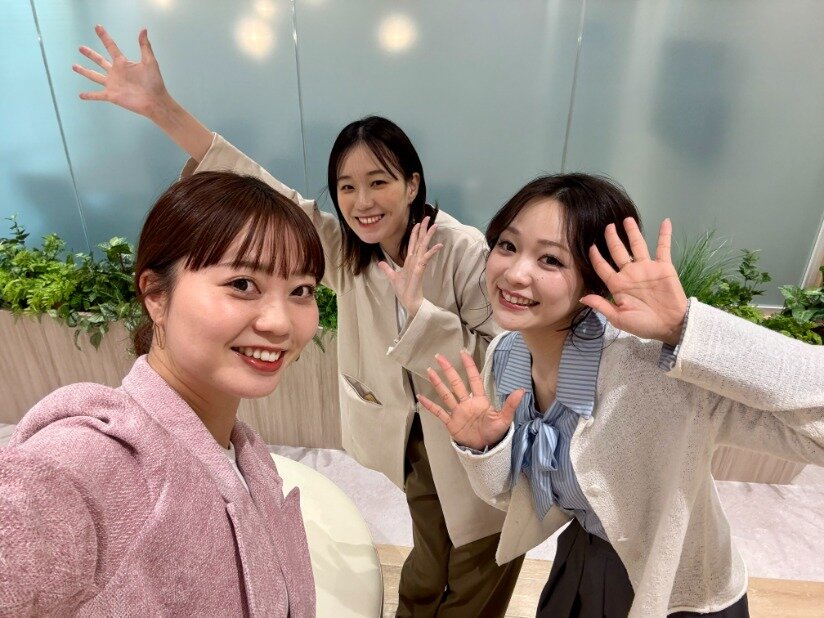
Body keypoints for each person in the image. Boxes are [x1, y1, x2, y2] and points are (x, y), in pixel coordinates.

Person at [73, 26, 524, 615]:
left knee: (478, 561)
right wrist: (163, 109)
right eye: (347, 187)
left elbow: (507, 355)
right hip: (410, 438)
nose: (362, 202)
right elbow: (266, 194)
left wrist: (421, 314)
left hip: (474, 438)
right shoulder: (348, 251)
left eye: (379, 182)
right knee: (429, 551)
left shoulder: (461, 251)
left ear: (413, 184)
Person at [418, 174, 824, 617]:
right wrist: (486, 449)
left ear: (596, 279)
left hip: (679, 587)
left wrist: (685, 329)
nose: (515, 273)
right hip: (580, 561)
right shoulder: (506, 356)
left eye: (551, 259)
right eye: (508, 245)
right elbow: (518, 496)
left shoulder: (654, 369)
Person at [0, 171, 322, 616]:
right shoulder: (94, 460)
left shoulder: (246, 451)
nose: (281, 323)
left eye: (301, 291)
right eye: (242, 284)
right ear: (155, 295)